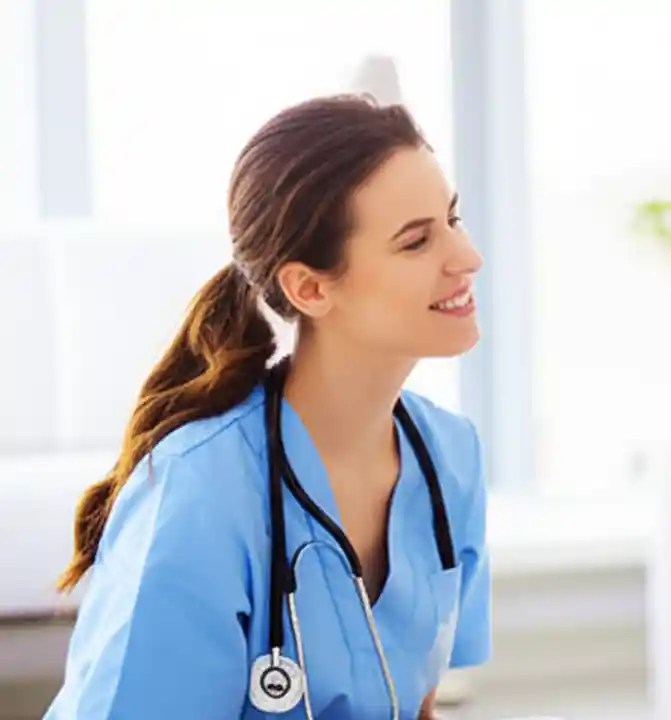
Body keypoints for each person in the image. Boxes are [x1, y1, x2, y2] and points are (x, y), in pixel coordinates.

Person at [45, 95, 490, 719]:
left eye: (453, 219)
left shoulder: (450, 457)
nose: (467, 258)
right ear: (309, 287)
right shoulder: (199, 487)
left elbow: (414, 703)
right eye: (416, 242)